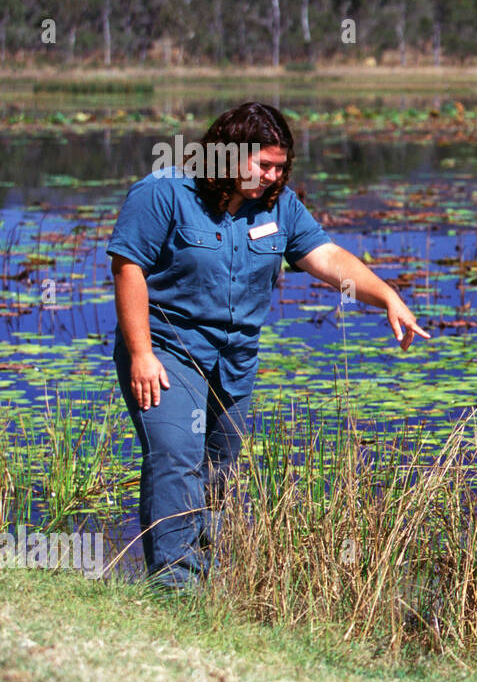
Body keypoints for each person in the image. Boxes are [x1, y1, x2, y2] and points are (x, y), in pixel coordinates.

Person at [108, 101, 430, 590]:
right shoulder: (164, 192)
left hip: (233, 363)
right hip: (167, 350)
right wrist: (141, 353)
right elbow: (128, 266)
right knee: (175, 456)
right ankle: (174, 591)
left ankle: (203, 578)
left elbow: (326, 257)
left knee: (217, 470)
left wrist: (385, 294)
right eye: (263, 165)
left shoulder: (280, 205)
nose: (273, 176)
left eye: (281, 167)